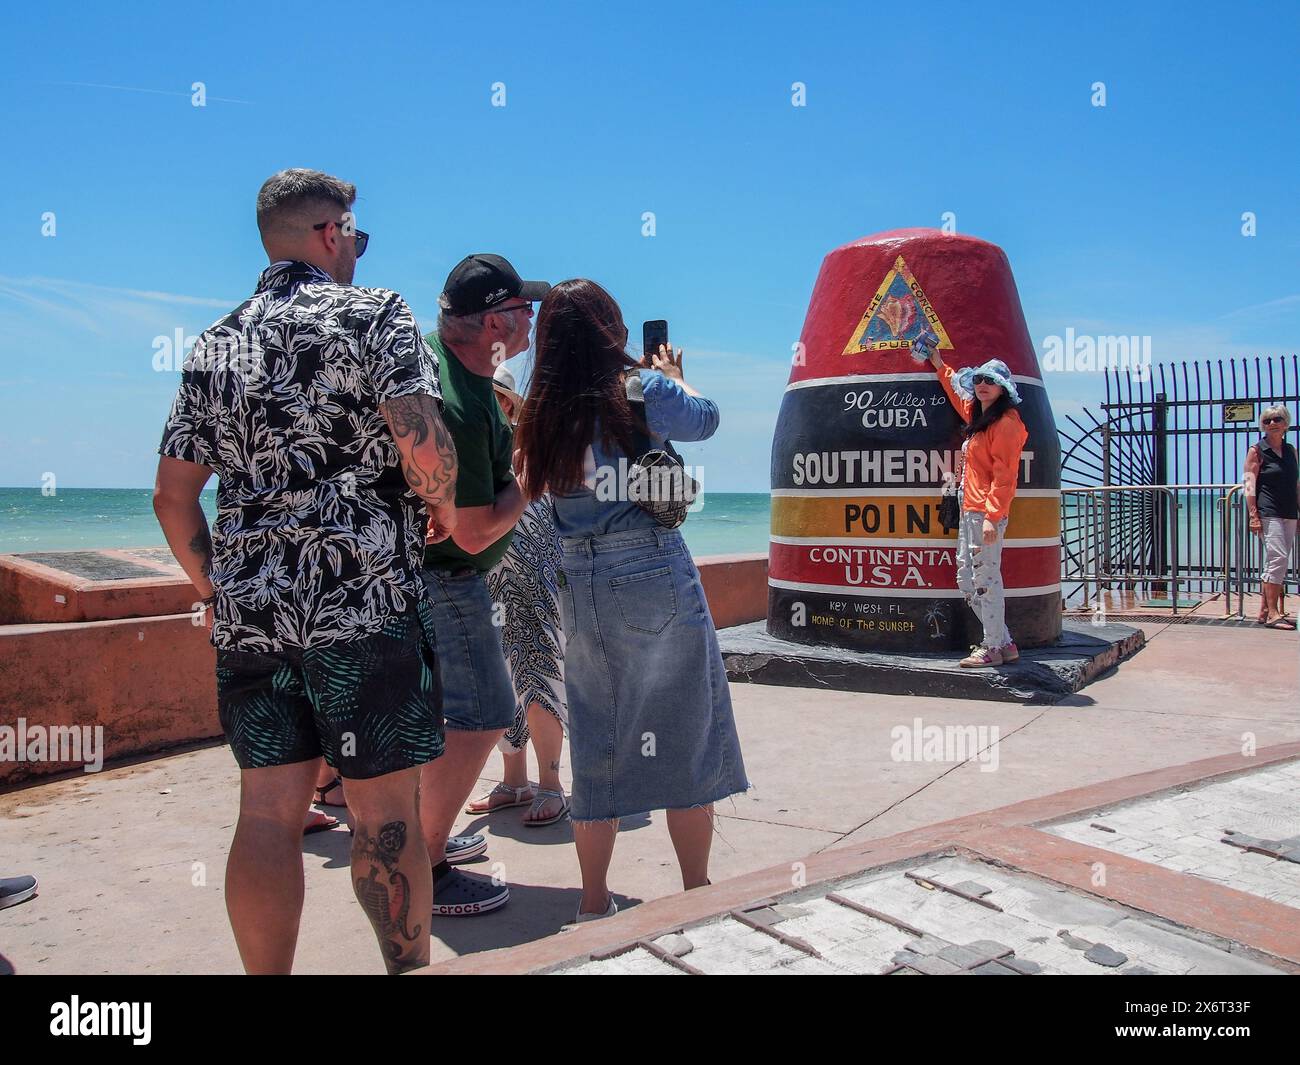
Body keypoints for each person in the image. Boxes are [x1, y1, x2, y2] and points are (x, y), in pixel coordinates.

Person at [154, 169, 458, 974]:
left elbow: (172, 498)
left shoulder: (216, 341)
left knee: (265, 813)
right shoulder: (376, 314)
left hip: (253, 615)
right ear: (331, 233)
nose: (358, 249)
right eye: (356, 235)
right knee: (384, 810)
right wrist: (445, 506)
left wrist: (220, 591)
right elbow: (422, 443)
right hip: (363, 604)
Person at [514, 279, 750, 924]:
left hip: (579, 580)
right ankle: (696, 890)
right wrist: (676, 375)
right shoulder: (640, 390)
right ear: (611, 329)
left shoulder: (541, 408)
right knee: (685, 727)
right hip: (651, 567)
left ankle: (594, 901)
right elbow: (705, 422)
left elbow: (526, 488)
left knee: (598, 734)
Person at [418, 254, 551, 916]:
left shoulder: (451, 368)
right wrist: (533, 474)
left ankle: (420, 839)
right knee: (482, 716)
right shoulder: (461, 404)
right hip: (449, 580)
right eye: (524, 309)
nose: (532, 319)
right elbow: (470, 533)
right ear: (494, 320)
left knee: (438, 720)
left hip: (433, 574)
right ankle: (425, 862)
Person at [468, 365, 570, 826]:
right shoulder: (476, 449)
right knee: (503, 681)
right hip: (491, 582)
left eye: (495, 396)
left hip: (535, 583)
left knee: (541, 677)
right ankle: (515, 781)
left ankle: (551, 784)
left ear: (509, 405)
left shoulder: (530, 454)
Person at [926, 345, 1029, 667]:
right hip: (970, 508)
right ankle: (1005, 643)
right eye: (980, 379)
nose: (983, 384)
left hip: (985, 513)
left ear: (1003, 389)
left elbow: (1005, 476)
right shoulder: (979, 415)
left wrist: (992, 516)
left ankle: (992, 647)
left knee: (986, 579)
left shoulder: (1006, 424)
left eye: (991, 381)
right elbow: (957, 391)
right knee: (968, 579)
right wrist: (939, 364)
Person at [1245, 406, 1298, 629]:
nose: (1272, 423)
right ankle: (1273, 614)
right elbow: (1249, 484)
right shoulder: (1256, 450)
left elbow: (1296, 483)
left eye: (1277, 419)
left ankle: (1264, 609)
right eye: (1267, 420)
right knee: (1277, 560)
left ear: (1286, 423)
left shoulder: (1291, 450)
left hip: (1289, 512)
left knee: (1279, 560)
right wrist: (1253, 515)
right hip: (1268, 511)